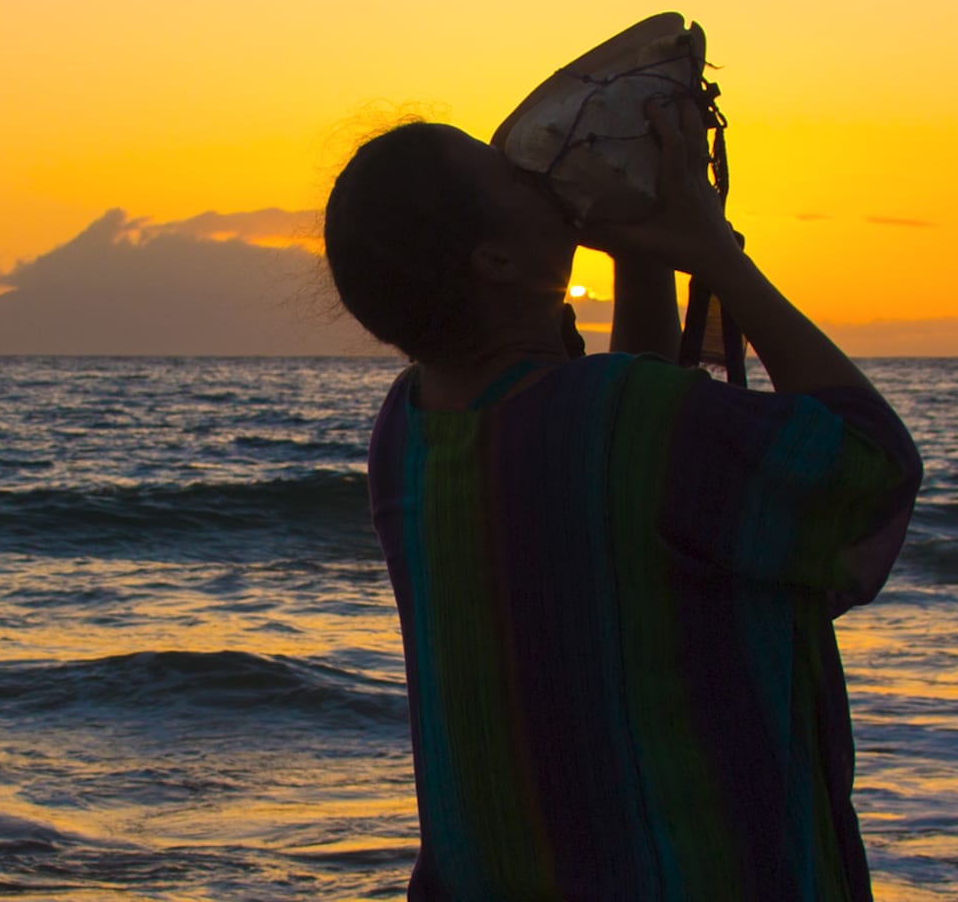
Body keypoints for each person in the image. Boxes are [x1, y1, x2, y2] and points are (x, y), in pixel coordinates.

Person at [324, 95, 922, 901]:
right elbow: (871, 468)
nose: (538, 170)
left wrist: (642, 259)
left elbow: (632, 458)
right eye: (511, 173)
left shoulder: (410, 430)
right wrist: (716, 257)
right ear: (495, 260)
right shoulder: (625, 420)